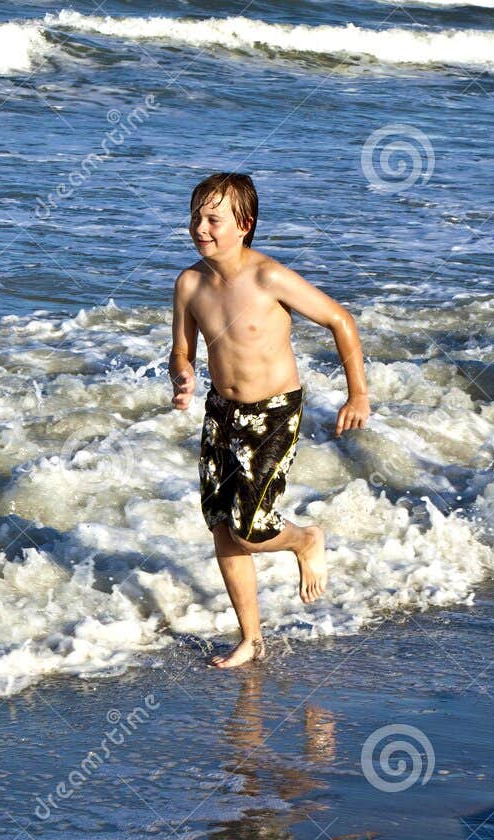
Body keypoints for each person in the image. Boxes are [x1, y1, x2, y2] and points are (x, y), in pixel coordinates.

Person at [170, 173, 370, 669]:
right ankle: (251, 639)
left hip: (274, 413)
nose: (201, 227)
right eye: (196, 216)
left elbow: (340, 320)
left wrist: (357, 395)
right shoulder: (190, 283)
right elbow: (181, 349)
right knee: (222, 526)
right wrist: (182, 377)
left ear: (244, 224)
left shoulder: (269, 277)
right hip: (221, 411)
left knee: (252, 529)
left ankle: (305, 539)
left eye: (213, 219)